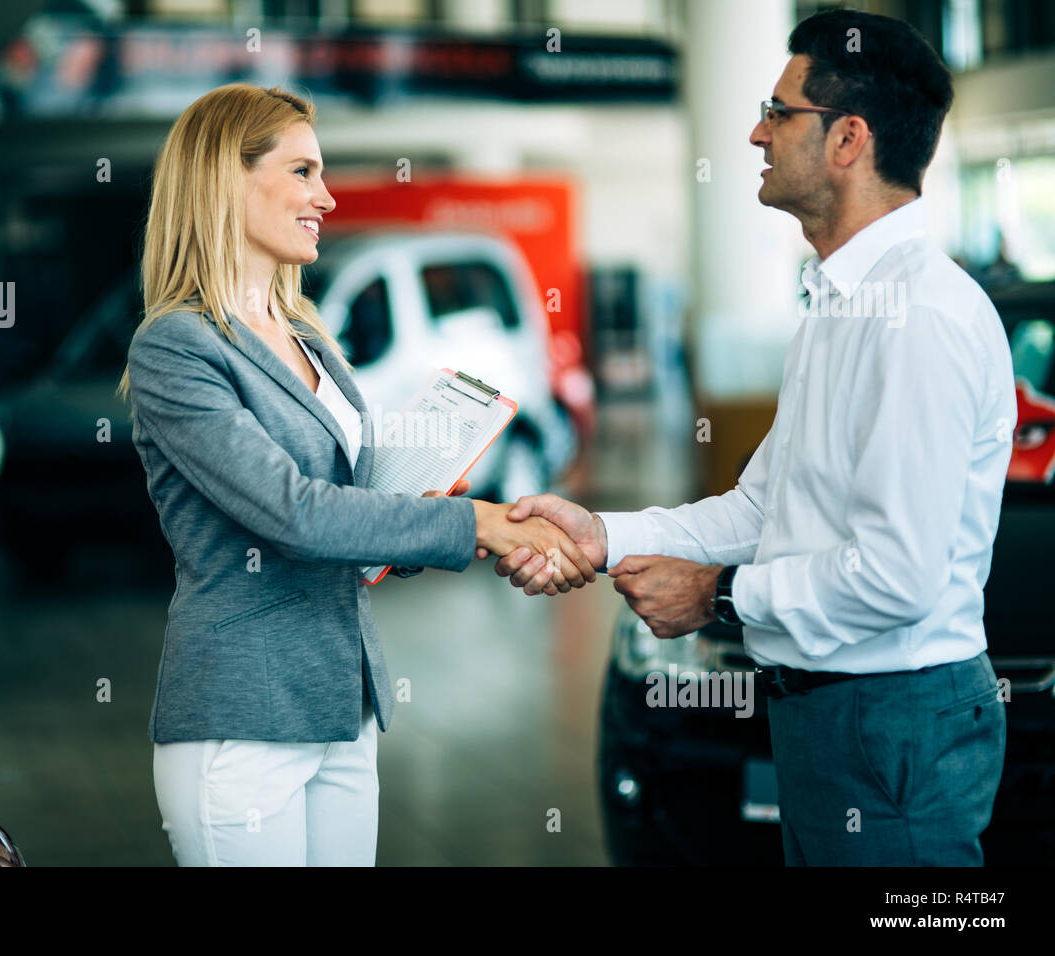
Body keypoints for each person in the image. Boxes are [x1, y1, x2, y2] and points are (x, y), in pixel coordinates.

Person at [496, 11, 1014, 866]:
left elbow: (898, 576)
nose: (753, 132)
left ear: (848, 140)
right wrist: (605, 534)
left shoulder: (918, 316)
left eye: (778, 112)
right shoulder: (840, 302)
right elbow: (763, 505)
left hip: (891, 721)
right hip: (830, 715)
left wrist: (717, 596)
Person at [116, 83, 594, 867]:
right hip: (243, 717)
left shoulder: (312, 339)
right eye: (303, 171)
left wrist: (464, 521)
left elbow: (359, 513)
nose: (327, 196)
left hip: (343, 701)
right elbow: (292, 512)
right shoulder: (177, 347)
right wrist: (473, 524)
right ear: (225, 179)